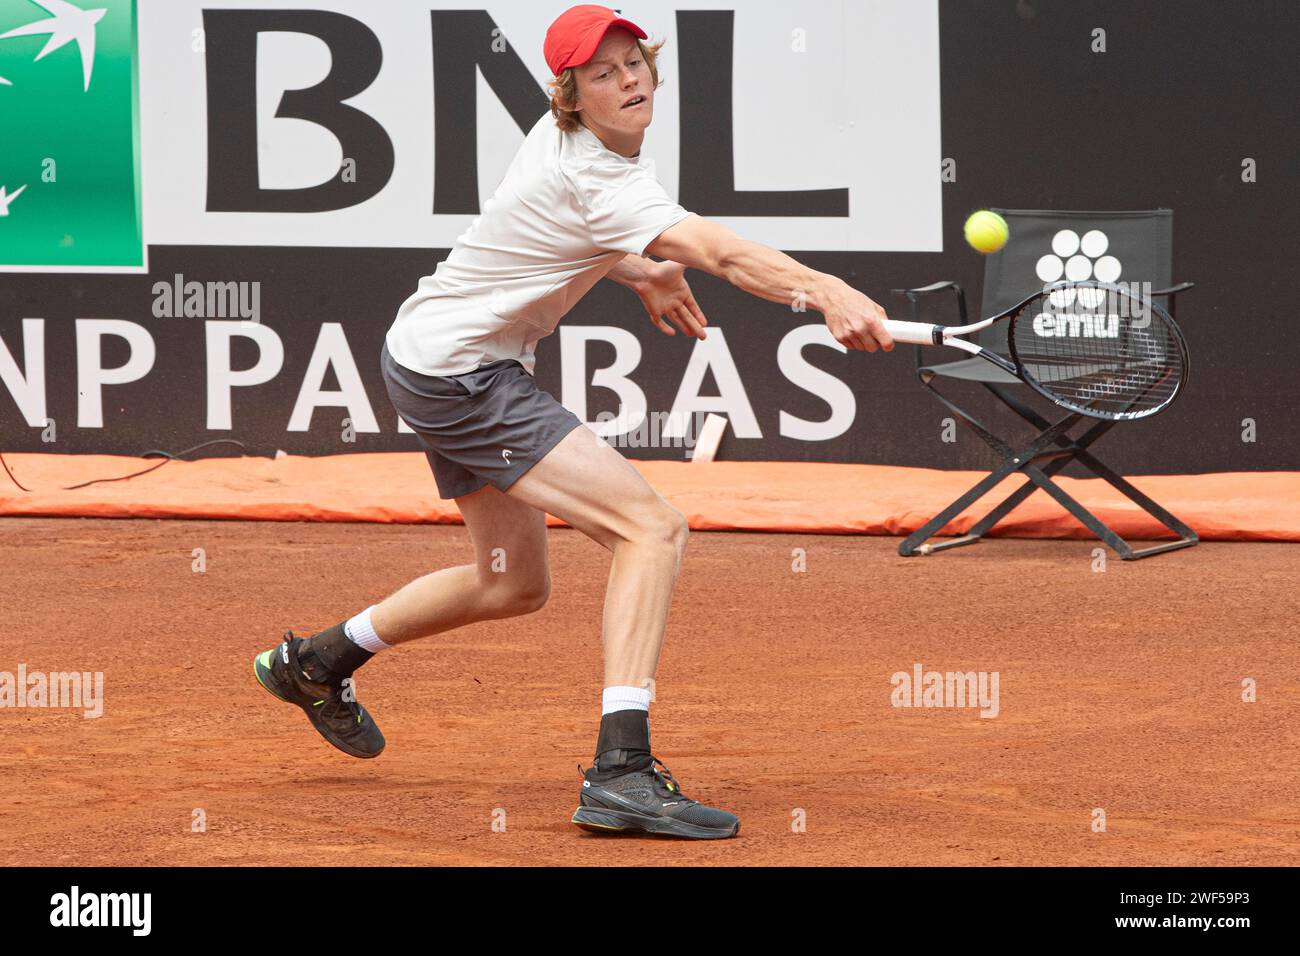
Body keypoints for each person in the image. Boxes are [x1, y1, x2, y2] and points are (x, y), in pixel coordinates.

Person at [253, 3, 892, 840]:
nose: (626, 80)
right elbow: (725, 255)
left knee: (510, 582)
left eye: (634, 64)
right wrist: (828, 291)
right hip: (463, 375)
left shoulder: (577, 150)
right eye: (602, 74)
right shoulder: (602, 173)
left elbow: (564, 227)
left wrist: (638, 272)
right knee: (651, 529)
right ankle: (622, 771)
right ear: (571, 97)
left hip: (425, 355)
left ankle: (317, 662)